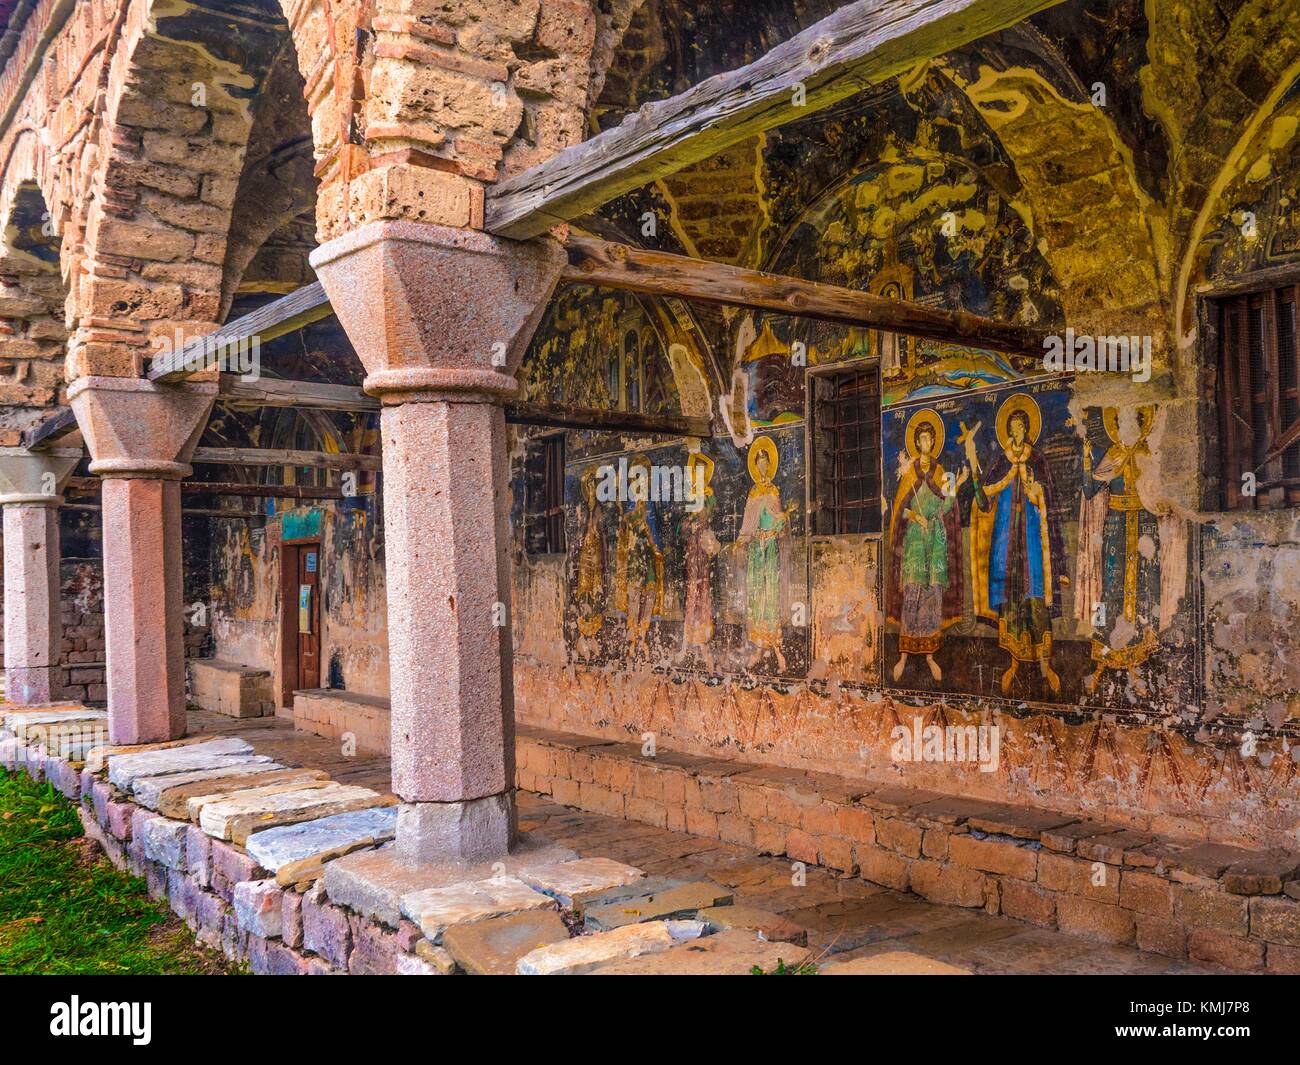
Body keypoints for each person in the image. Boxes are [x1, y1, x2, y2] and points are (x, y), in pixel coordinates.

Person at [966, 393, 1066, 695]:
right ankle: (1014, 663)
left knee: (1036, 601)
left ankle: (1045, 665)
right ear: (1009, 431)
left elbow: (1052, 504)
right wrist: (972, 461)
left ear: (1028, 429)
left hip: (1034, 543)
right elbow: (983, 501)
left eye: (1023, 425)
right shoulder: (1001, 462)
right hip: (1006, 545)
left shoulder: (1038, 460)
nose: (1019, 429)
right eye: (1015, 425)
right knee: (1012, 603)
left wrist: (1037, 490)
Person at [886, 409, 966, 683]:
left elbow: (946, 507)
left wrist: (957, 487)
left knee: (932, 596)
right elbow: (900, 511)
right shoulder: (908, 473)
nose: (925, 443)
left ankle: (930, 655)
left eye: (929, 439)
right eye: (921, 439)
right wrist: (915, 515)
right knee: (912, 593)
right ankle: (904, 656)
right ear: (916, 443)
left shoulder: (941, 471)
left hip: (935, 540)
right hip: (914, 544)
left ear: (933, 442)